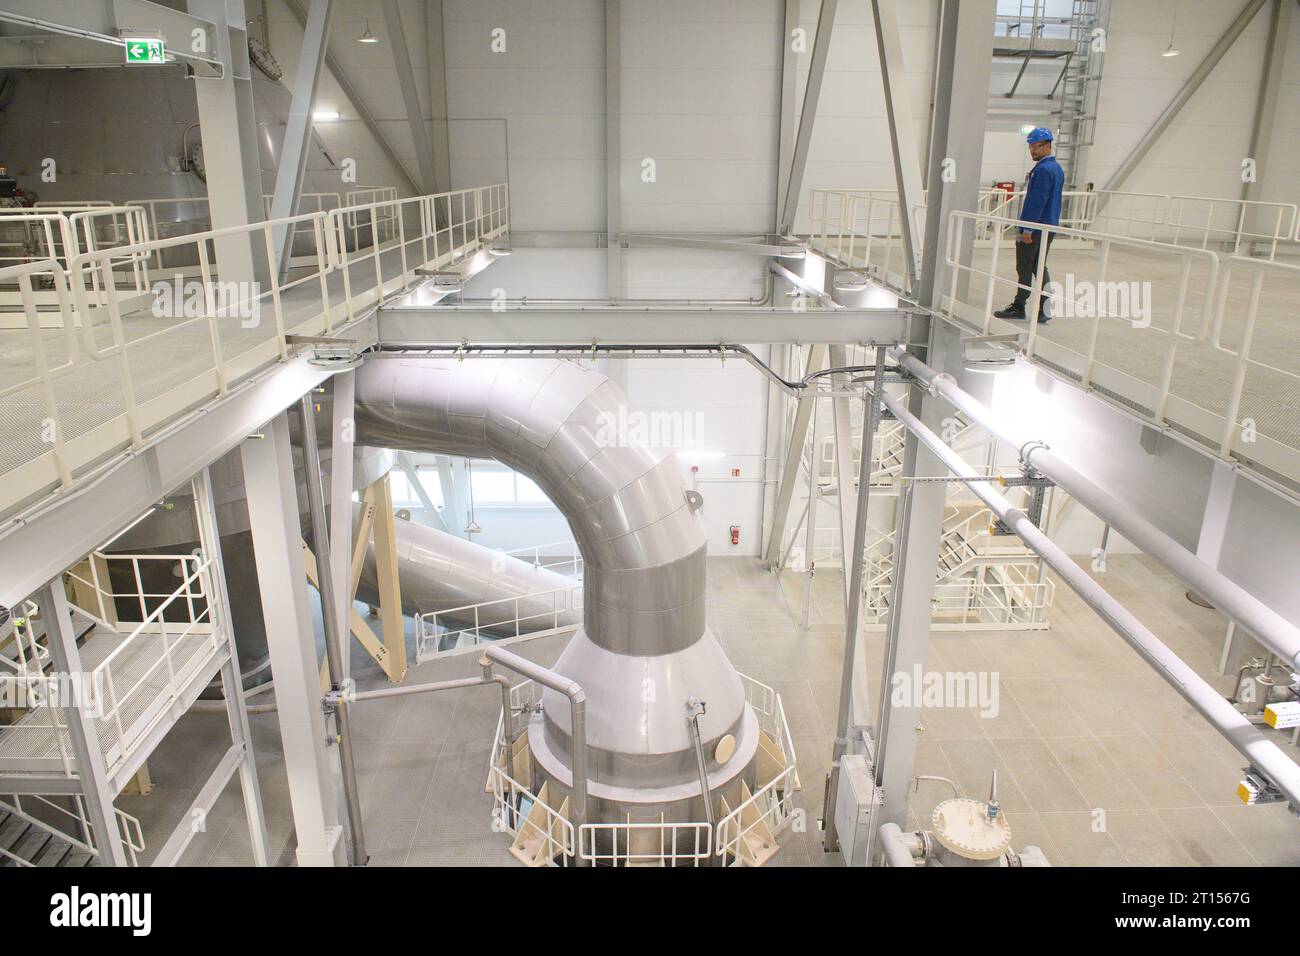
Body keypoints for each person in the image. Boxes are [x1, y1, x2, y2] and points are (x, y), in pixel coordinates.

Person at [994, 127, 1063, 323]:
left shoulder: (1042, 170)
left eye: (1036, 146)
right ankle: (1045, 309)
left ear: (1048, 145)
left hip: (1036, 229)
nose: (1033, 150)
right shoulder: (1056, 168)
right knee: (1040, 267)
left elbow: (1036, 202)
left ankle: (1018, 306)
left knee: (1025, 267)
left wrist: (1028, 229)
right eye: (1031, 147)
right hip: (1048, 226)